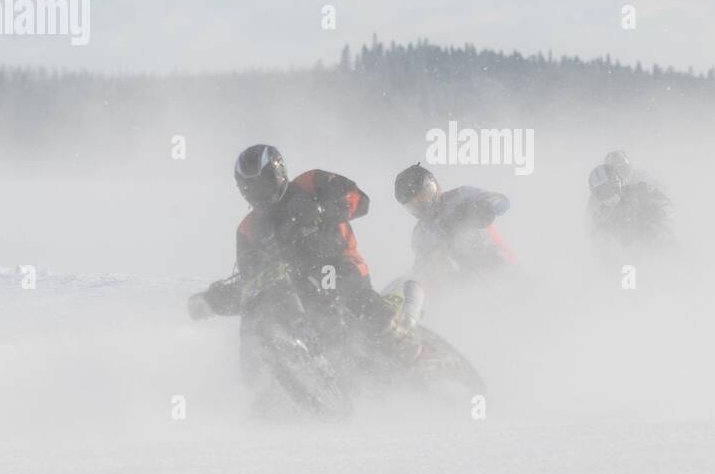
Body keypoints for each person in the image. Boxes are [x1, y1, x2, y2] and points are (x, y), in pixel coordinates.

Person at [191, 145, 405, 364]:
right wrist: (211, 300)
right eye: (250, 188)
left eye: (263, 184)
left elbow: (359, 201)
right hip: (297, 290)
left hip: (336, 263)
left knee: (338, 281)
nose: (259, 192)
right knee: (262, 309)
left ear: (279, 173)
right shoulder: (248, 229)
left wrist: (322, 211)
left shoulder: (310, 183)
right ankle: (261, 380)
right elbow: (250, 281)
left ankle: (399, 339)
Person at [393, 163, 514, 281]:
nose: (422, 206)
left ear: (434, 186)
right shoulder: (421, 233)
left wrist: (479, 208)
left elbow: (503, 202)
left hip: (500, 265)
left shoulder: (461, 196)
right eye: (413, 205)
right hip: (466, 285)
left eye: (424, 197)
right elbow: (422, 271)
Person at [586, 163, 672, 251]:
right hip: (626, 257)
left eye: (609, 188)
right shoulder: (601, 215)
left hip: (656, 245)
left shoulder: (639, 191)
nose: (608, 196)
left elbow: (667, 204)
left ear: (617, 182)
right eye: (601, 193)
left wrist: (654, 211)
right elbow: (594, 241)